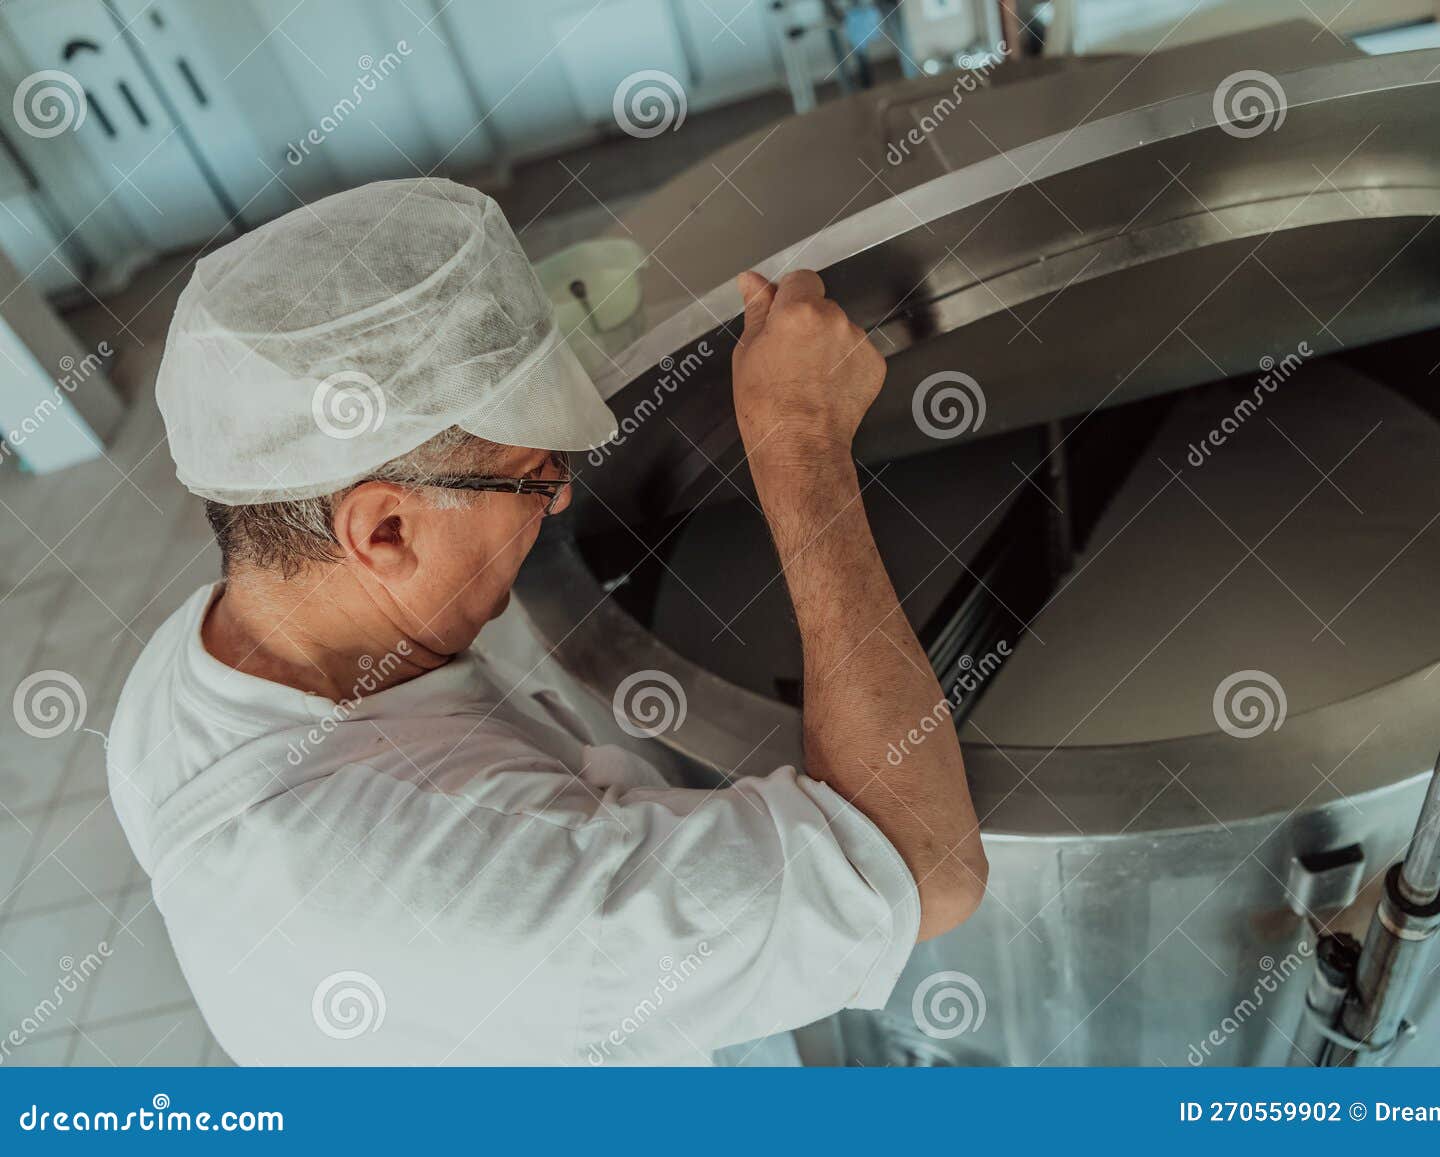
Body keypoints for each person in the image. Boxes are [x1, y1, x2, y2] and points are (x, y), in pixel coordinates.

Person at [108, 177, 987, 1064]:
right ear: (384, 530)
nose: (561, 492)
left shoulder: (194, 671)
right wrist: (800, 441)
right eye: (533, 476)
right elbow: (922, 867)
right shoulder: (474, 910)